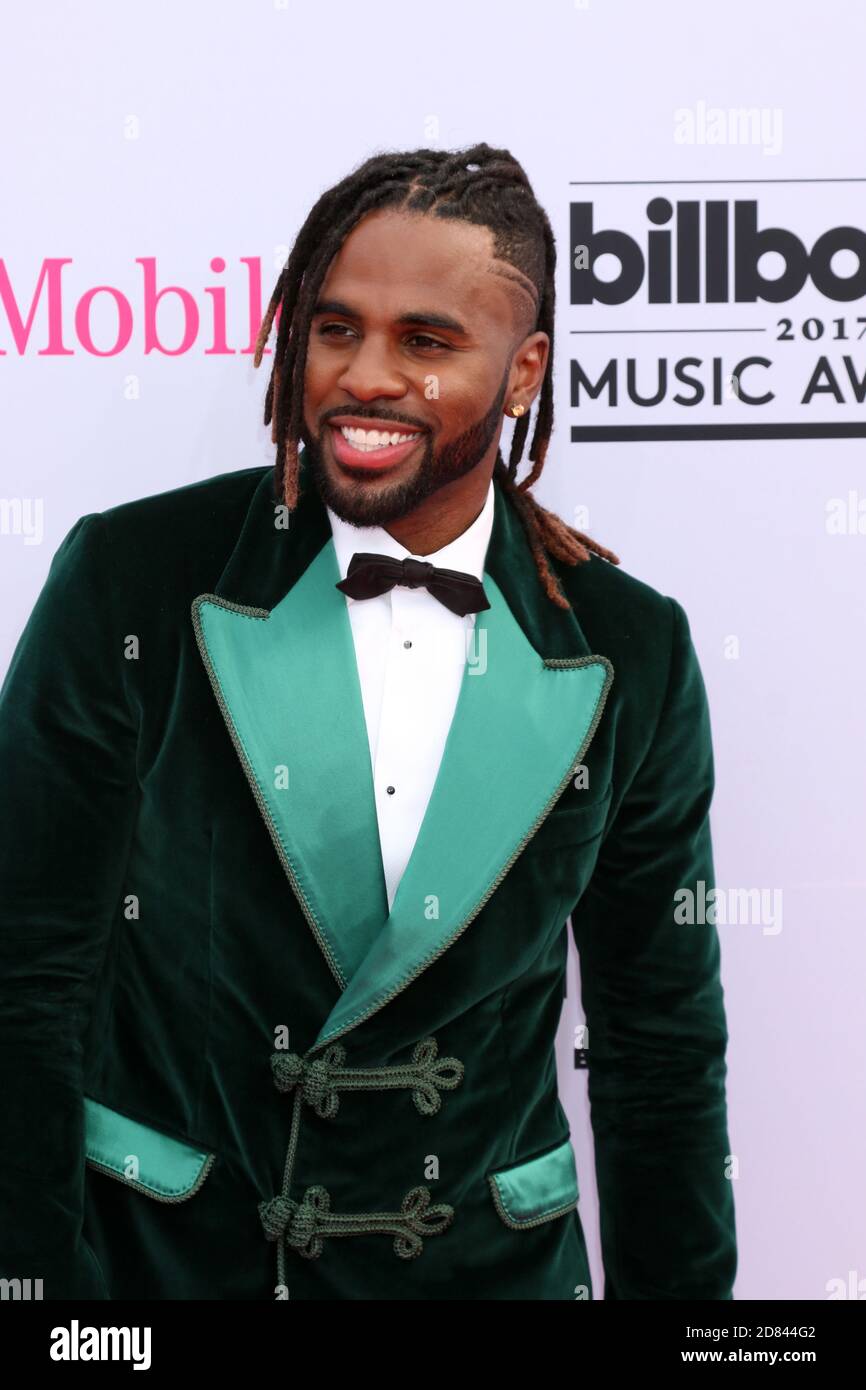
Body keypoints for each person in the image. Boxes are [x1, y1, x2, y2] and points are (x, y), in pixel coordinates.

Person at [0, 143, 737, 1300]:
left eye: (427, 341)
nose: (362, 375)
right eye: (334, 329)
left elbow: (657, 1048)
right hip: (169, 1279)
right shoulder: (131, 579)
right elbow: (26, 981)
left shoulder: (625, 646)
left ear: (523, 368)